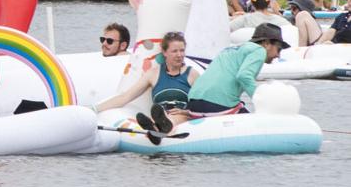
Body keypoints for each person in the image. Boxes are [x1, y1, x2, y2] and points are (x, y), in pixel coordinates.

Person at [157, 23, 289, 128]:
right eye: (279, 49)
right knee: (256, 124)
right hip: (216, 106)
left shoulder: (231, 49)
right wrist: (263, 103)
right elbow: (244, 76)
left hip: (193, 105)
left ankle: (165, 123)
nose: (278, 55)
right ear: (266, 43)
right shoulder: (259, 50)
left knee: (240, 105)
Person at [93, 30, 198, 116]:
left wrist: (187, 112)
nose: (179, 55)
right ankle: (156, 127)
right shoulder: (153, 74)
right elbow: (125, 97)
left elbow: (205, 103)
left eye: (182, 50)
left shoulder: (192, 74)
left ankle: (158, 127)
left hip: (183, 119)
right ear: (164, 52)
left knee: (176, 117)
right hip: (161, 115)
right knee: (161, 116)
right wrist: (95, 109)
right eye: (175, 51)